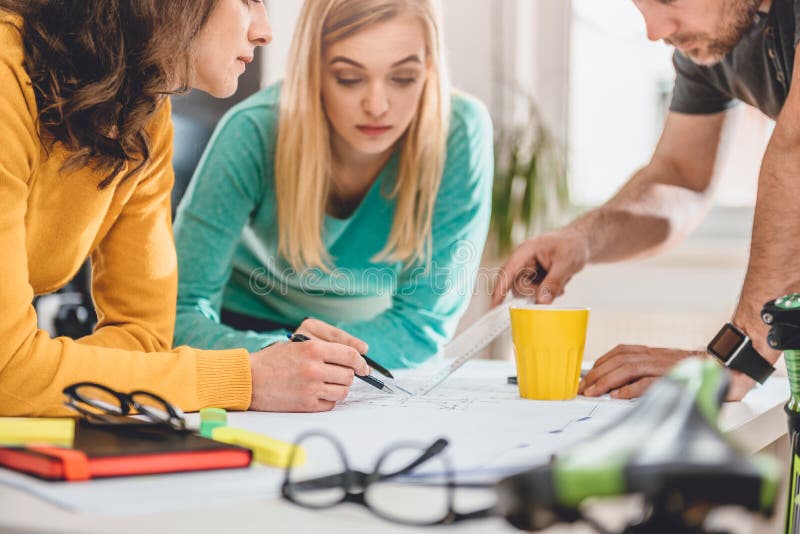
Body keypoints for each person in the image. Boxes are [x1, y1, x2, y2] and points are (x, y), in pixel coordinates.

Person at [0, 0, 372, 417]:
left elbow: (144, 340)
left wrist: (44, 378)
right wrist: (241, 380)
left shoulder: (145, 117)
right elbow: (8, 372)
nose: (265, 32)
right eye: (249, 1)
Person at [493, 0, 800, 401]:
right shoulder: (713, 37)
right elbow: (680, 178)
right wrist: (582, 239)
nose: (655, 30)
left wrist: (741, 355)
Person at [173, 0, 493, 371]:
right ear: (315, 72)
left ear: (430, 71)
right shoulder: (253, 130)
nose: (377, 106)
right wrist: (280, 355)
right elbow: (179, 312)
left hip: (374, 339)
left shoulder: (460, 134)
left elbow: (421, 325)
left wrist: (319, 355)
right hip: (236, 332)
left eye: (403, 78)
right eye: (349, 78)